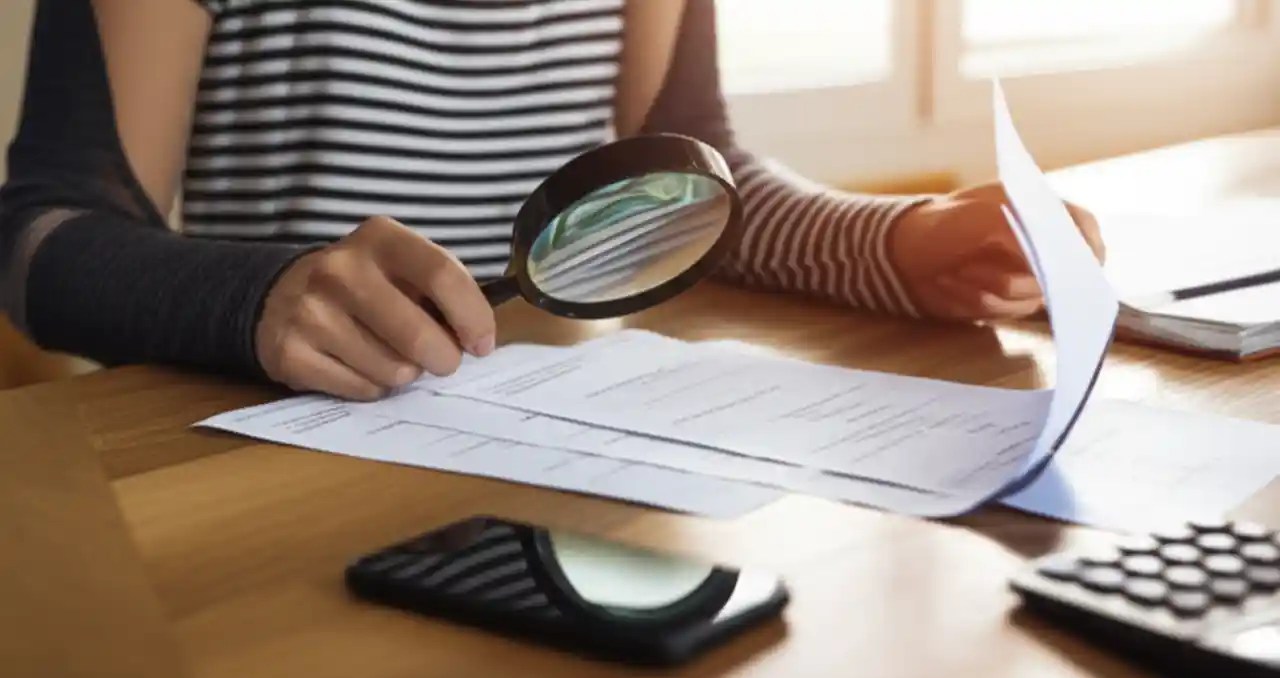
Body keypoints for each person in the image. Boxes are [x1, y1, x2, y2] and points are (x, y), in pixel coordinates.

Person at [0, 0, 1103, 401]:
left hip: (570, 447)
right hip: (265, 453)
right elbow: (43, 234)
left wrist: (895, 245)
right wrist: (258, 296)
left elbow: (692, 183)